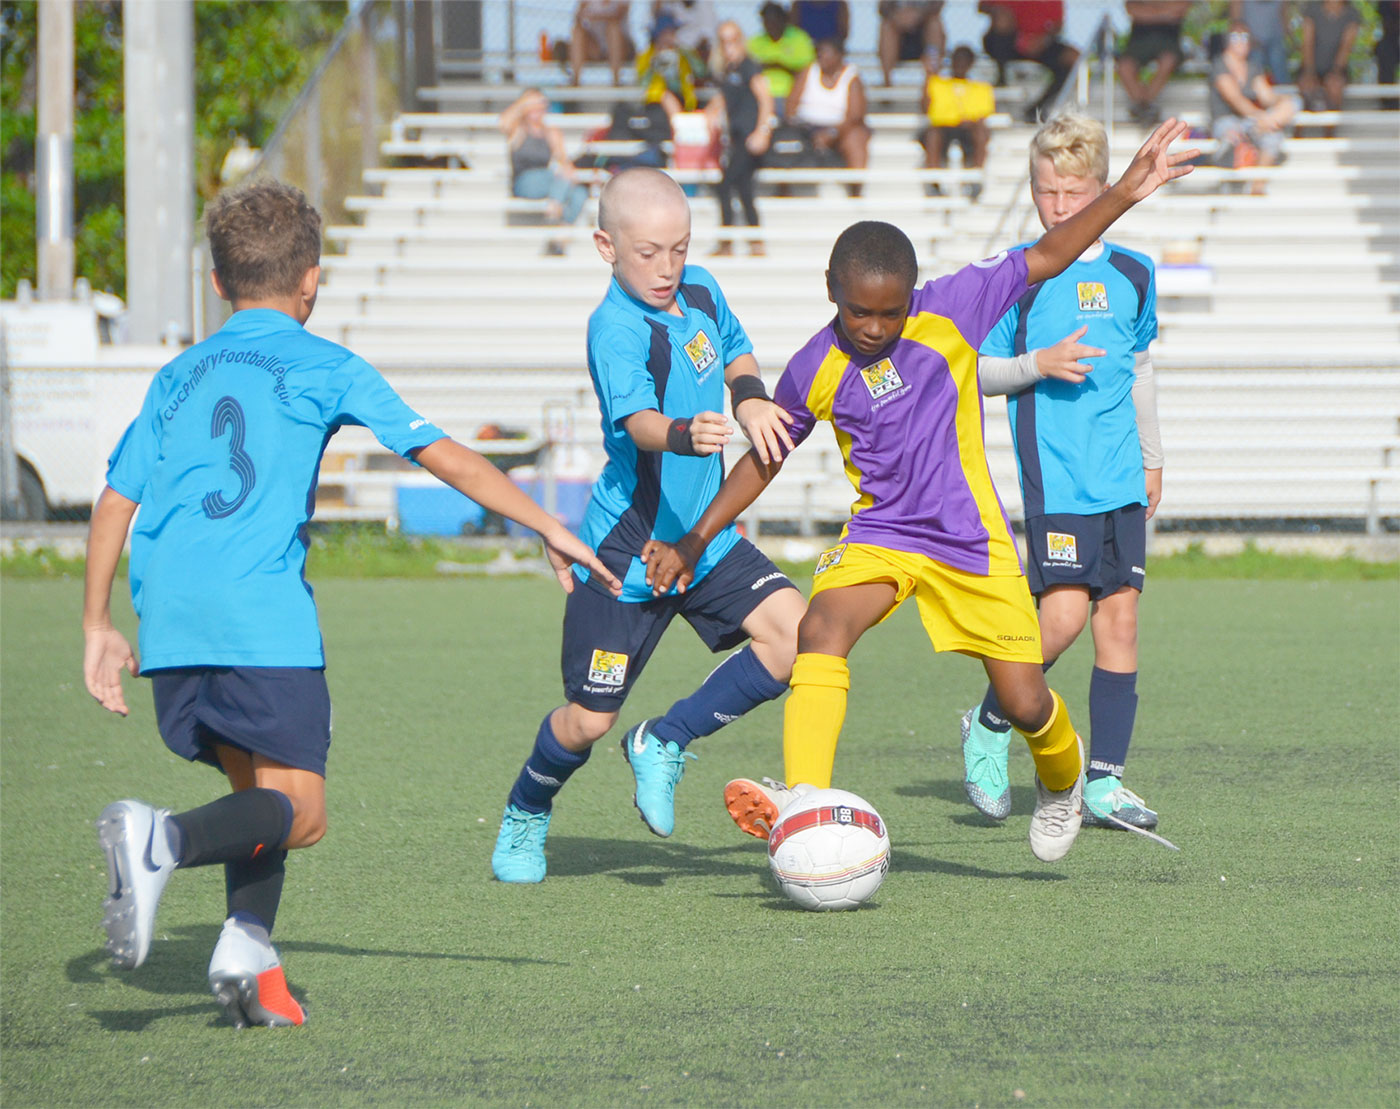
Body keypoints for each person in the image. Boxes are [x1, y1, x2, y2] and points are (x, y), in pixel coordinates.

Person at [84, 180, 619, 1026]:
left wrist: (97, 623)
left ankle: (248, 956)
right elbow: (443, 455)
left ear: (217, 283)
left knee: (258, 793)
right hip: (260, 615)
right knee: (300, 814)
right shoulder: (323, 364)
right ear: (312, 281)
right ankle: (162, 841)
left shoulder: (176, 375)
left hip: (172, 618)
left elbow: (116, 500)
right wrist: (549, 523)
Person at [643, 121, 1199, 863]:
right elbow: (765, 459)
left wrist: (1127, 188)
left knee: (1026, 700)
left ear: (911, 295)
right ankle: (805, 801)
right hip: (883, 535)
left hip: (970, 539)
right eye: (859, 311)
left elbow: (1050, 253)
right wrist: (694, 538)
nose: (875, 328)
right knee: (821, 628)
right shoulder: (813, 365)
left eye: (890, 312)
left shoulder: (955, 304)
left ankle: (1063, 781)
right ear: (831, 291)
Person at [489, 168, 807, 884]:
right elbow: (636, 422)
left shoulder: (701, 289)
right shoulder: (615, 328)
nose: (667, 268)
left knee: (798, 636)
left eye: (680, 249)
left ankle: (665, 739)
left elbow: (736, 349)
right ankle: (526, 809)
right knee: (586, 721)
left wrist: (751, 398)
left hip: (705, 541)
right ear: (606, 246)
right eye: (648, 252)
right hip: (628, 556)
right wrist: (684, 433)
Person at [961, 111, 1166, 833]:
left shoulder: (1134, 272)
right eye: (1046, 191)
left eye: (1073, 193)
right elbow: (977, 372)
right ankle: (989, 722)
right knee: (1063, 617)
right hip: (1058, 476)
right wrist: (1036, 365)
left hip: (1120, 475)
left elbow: (1140, 369)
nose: (1058, 206)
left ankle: (1105, 782)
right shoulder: (1019, 275)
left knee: (1121, 621)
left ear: (1103, 189)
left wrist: (1153, 456)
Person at [708, 19, 775, 257]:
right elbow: (725, 98)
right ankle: (755, 241)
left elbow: (766, 99)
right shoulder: (728, 70)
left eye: (733, 40)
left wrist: (762, 131)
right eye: (724, 41)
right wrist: (710, 112)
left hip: (750, 136)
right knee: (744, 188)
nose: (729, 46)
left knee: (725, 184)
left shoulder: (749, 66)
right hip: (737, 137)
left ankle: (726, 240)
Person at [1210, 21, 1300, 184]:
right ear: (1227, 40)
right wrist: (1262, 118)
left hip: (1252, 122)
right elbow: (1235, 100)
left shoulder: (1252, 67)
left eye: (1245, 37)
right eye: (1235, 37)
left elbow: (1267, 97)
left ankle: (1257, 187)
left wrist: (1284, 100)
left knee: (1276, 132)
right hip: (1227, 121)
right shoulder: (1219, 65)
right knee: (1233, 135)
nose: (1241, 41)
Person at [786, 38, 871, 193]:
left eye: (826, 53)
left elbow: (855, 115)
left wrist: (832, 133)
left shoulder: (852, 78)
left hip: (841, 127)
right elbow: (791, 104)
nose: (821, 56)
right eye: (819, 53)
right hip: (806, 126)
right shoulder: (808, 72)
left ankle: (856, 189)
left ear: (839, 55)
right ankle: (783, 188)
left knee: (857, 137)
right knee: (785, 138)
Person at [500, 89, 589, 228]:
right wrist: (525, 102)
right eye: (533, 105)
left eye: (541, 105)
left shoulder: (550, 131)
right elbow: (503, 122)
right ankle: (554, 210)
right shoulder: (518, 129)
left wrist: (571, 174)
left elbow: (563, 160)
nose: (538, 109)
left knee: (580, 193)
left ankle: (561, 232)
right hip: (525, 181)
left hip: (547, 180)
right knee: (557, 177)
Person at [980, 0, 1080, 122]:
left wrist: (1042, 40)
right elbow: (982, 6)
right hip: (1008, 42)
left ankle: (1037, 109)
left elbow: (1057, 25)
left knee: (1072, 57)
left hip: (1040, 44)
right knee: (1001, 19)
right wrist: (999, 11)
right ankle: (1002, 77)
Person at [922, 44, 994, 194]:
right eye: (957, 59)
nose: (960, 64)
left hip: (968, 129)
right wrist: (928, 76)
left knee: (981, 133)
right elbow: (926, 108)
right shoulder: (937, 83)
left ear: (971, 64)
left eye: (965, 60)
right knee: (932, 135)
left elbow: (982, 116)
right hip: (943, 127)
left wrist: (968, 120)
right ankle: (934, 182)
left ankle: (975, 179)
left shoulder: (982, 88)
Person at [1117, 2, 1193, 125]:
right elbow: (1131, 9)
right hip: (1139, 41)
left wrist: (1149, 11)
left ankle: (1143, 106)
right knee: (1124, 66)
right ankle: (1145, 107)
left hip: (1168, 41)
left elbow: (1181, 8)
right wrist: (1164, 13)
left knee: (1168, 61)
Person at [748, 2, 816, 114]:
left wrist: (783, 66)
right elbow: (747, 69)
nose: (771, 25)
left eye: (774, 21)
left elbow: (809, 71)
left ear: (783, 20)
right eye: (767, 21)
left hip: (791, 95)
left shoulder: (800, 39)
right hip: (760, 96)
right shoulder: (755, 42)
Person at [1298, 1, 1362, 112]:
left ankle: (1332, 121)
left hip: (1337, 68)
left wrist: (1335, 72)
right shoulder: (1312, 9)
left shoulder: (1352, 14)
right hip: (1311, 66)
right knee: (1306, 86)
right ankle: (1304, 121)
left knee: (1335, 87)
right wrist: (1309, 71)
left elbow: (1346, 47)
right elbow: (1308, 43)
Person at [637, 12, 703, 115]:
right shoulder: (646, 56)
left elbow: (701, 72)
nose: (671, 36)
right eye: (668, 33)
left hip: (684, 101)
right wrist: (656, 63)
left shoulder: (683, 53)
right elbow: (643, 83)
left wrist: (687, 54)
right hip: (657, 102)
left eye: (673, 32)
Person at [568, 1, 635, 87]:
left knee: (613, 28)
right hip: (596, 47)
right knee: (578, 31)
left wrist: (594, 16)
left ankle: (616, 79)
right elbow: (578, 17)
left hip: (619, 46)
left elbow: (618, 16)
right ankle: (575, 80)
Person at [878, 2, 946, 86]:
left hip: (923, 34)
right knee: (886, 27)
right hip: (898, 36)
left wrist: (919, 15)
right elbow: (883, 7)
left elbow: (938, 4)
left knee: (934, 24)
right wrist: (897, 17)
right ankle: (887, 81)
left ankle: (933, 80)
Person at [1230, 0, 1294, 85]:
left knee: (1281, 73)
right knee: (1254, 75)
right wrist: (1243, 37)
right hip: (1253, 42)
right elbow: (1236, 16)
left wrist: (1291, 38)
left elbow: (1283, 13)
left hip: (1275, 40)